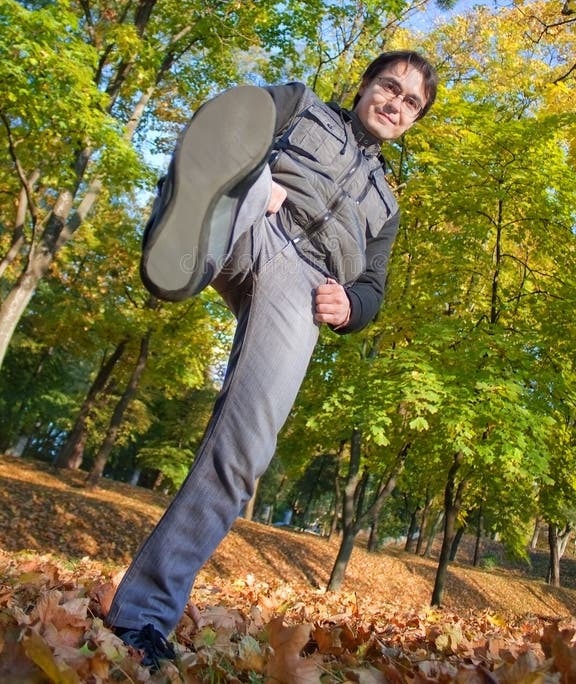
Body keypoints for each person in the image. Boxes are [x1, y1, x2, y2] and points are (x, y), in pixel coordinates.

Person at [106, 50, 438, 668]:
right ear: (364, 85)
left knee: (245, 454)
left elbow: (373, 288)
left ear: (414, 119)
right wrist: (256, 173)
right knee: (242, 171)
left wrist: (351, 306)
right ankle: (193, 223)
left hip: (306, 286)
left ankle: (142, 619)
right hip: (257, 217)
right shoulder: (303, 105)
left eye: (410, 101)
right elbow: (238, 121)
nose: (395, 103)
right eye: (389, 87)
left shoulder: (387, 208)